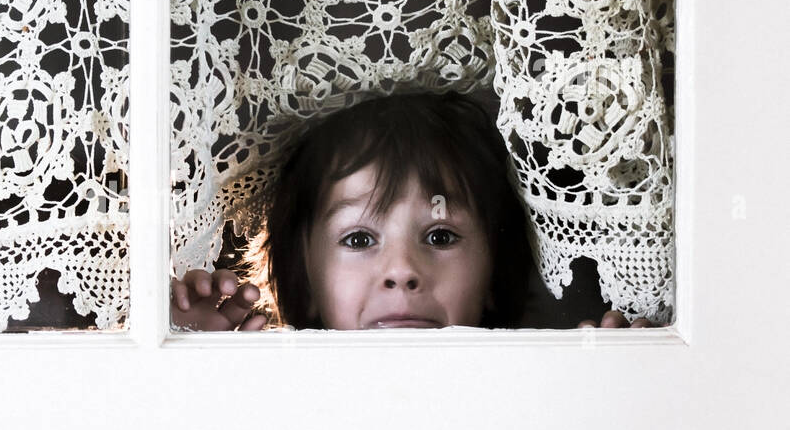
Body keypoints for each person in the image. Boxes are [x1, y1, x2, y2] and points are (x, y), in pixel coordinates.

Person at [170, 90, 651, 331]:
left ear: (494, 269)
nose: (402, 271)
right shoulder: (271, 402)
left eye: (440, 236)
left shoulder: (525, 399)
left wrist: (605, 390)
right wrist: (193, 363)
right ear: (306, 277)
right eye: (359, 239)